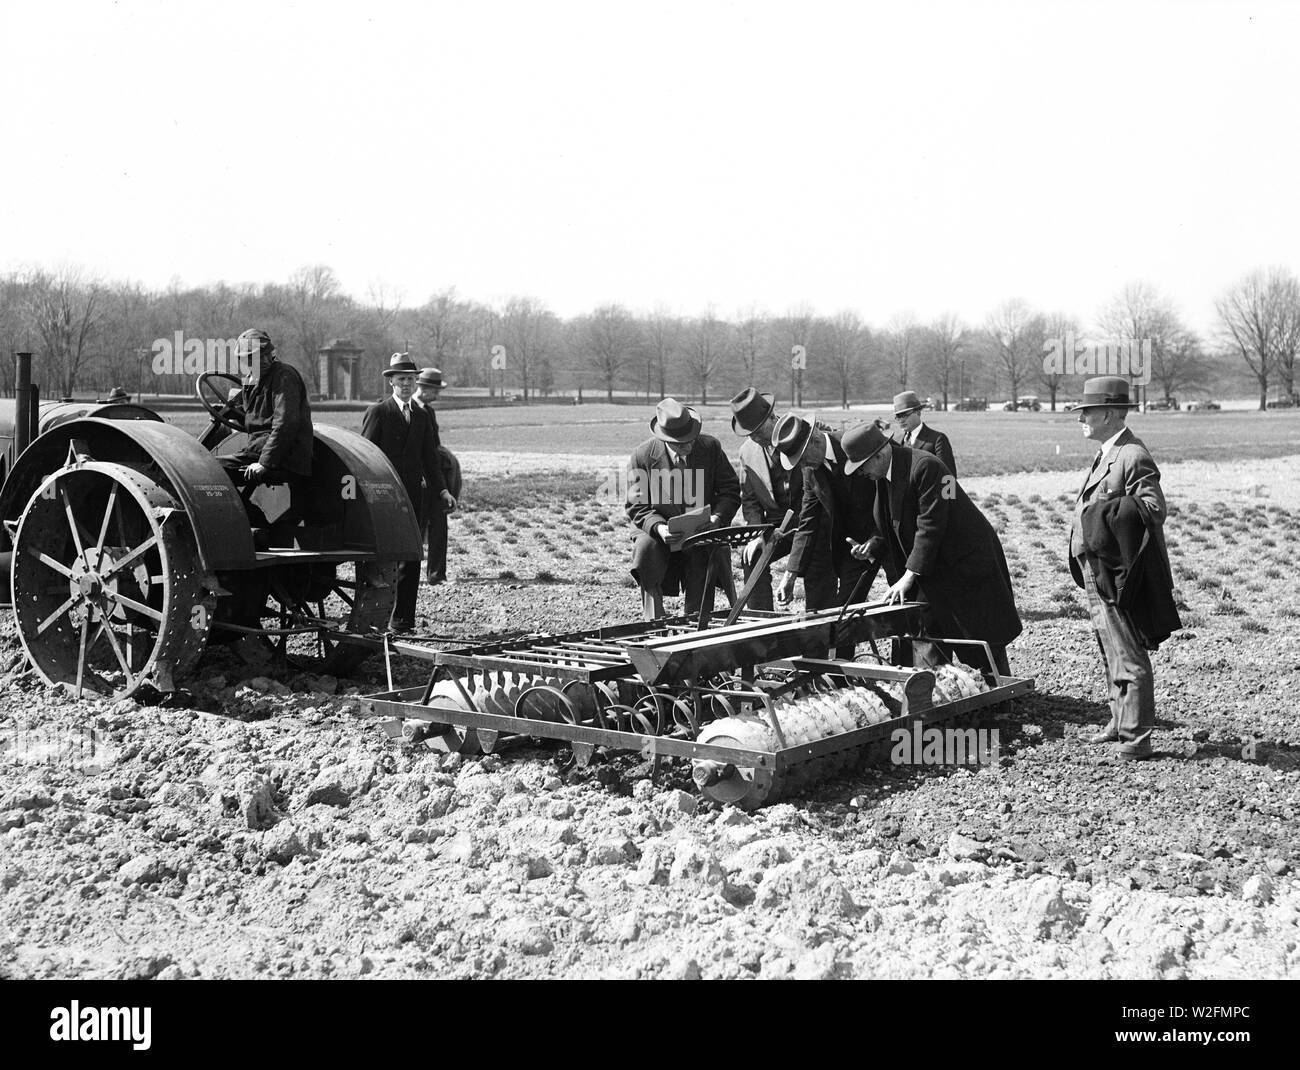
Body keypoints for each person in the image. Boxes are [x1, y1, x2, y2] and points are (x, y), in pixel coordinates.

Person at [843, 421, 1021, 676]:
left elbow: (931, 525)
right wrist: (874, 544)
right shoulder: (884, 475)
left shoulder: (928, 466)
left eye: (862, 467)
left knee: (981, 637)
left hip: (964, 562)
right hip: (932, 564)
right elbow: (894, 523)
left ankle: (1002, 698)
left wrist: (908, 575)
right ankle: (935, 700)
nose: (861, 474)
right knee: (927, 629)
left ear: (879, 455)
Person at [1068, 376, 1181, 761]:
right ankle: (1119, 721)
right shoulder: (1106, 451)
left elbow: (1153, 510)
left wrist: (1100, 516)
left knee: (1128, 652)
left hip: (1118, 571)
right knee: (1110, 649)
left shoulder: (1132, 455)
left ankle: (1137, 738)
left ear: (1111, 413)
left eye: (1087, 412)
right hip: (1097, 567)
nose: (1080, 418)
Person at [361, 354, 457, 633]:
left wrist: (442, 490)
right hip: (384, 498)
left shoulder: (422, 416)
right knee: (383, 557)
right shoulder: (379, 412)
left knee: (411, 556)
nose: (406, 384)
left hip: (414, 497)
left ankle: (403, 621)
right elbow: (366, 456)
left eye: (410, 379)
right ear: (391, 381)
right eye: (401, 379)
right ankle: (373, 618)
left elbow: (430, 459)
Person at [626, 398, 740, 617]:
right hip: (659, 530)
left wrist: (717, 518)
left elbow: (730, 490)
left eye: (691, 440)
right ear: (664, 439)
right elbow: (636, 505)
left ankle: (697, 621)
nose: (688, 446)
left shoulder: (711, 447)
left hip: (701, 528)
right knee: (646, 549)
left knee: (704, 552)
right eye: (680, 443)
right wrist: (659, 528)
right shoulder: (641, 456)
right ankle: (654, 621)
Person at [773, 415, 878, 633]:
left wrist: (878, 538)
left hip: (889, 532)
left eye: (802, 458)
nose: (802, 465)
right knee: (844, 613)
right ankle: (841, 664)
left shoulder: (854, 444)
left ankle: (908, 663)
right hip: (855, 547)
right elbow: (808, 520)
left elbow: (891, 494)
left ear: (816, 440)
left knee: (904, 607)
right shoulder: (810, 467)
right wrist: (790, 574)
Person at [729, 388, 804, 611]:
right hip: (775, 526)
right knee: (751, 556)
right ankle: (761, 624)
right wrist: (758, 534)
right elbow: (750, 500)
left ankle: (816, 628)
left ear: (773, 417)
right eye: (750, 434)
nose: (756, 438)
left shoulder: (802, 433)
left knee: (816, 564)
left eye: (759, 431)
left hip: (812, 522)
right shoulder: (747, 452)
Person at [216, 328, 313, 491]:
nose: (267, 360)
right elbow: (255, 418)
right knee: (206, 467)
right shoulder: (250, 380)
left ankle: (242, 514)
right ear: (244, 360)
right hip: (259, 449)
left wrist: (265, 463)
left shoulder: (284, 376)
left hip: (285, 457)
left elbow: (286, 424)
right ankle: (247, 513)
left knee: (208, 470)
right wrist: (229, 412)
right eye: (259, 358)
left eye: (268, 354)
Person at [414, 366, 461, 585]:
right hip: (416, 480)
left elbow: (433, 448)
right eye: (434, 391)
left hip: (434, 478)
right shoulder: (410, 409)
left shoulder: (429, 411)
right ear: (423, 388)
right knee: (417, 527)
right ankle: (409, 574)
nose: (437, 395)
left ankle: (436, 574)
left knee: (439, 525)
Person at [892, 390, 956, 477]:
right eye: (898, 416)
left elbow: (949, 478)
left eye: (905, 415)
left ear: (918, 412)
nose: (901, 420)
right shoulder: (895, 442)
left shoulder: (937, 440)